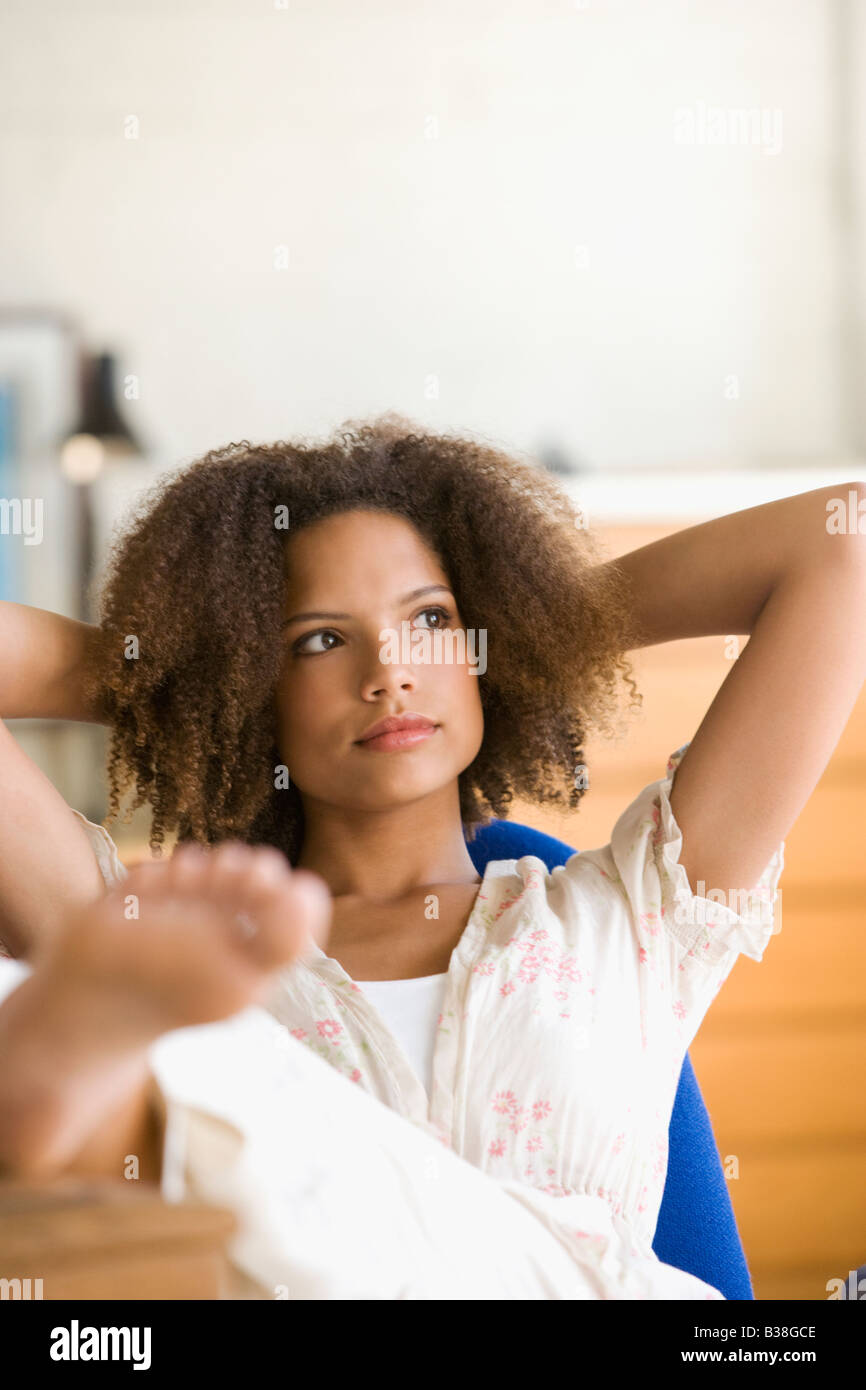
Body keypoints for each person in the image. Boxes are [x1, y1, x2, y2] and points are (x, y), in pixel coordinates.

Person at [1, 415, 864, 1299]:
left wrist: (535, 636)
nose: (391, 671)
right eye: (319, 640)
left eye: (429, 619)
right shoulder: (174, 947)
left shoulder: (632, 916)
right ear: (256, 690)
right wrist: (181, 682)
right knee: (212, 1063)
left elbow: (844, 542)